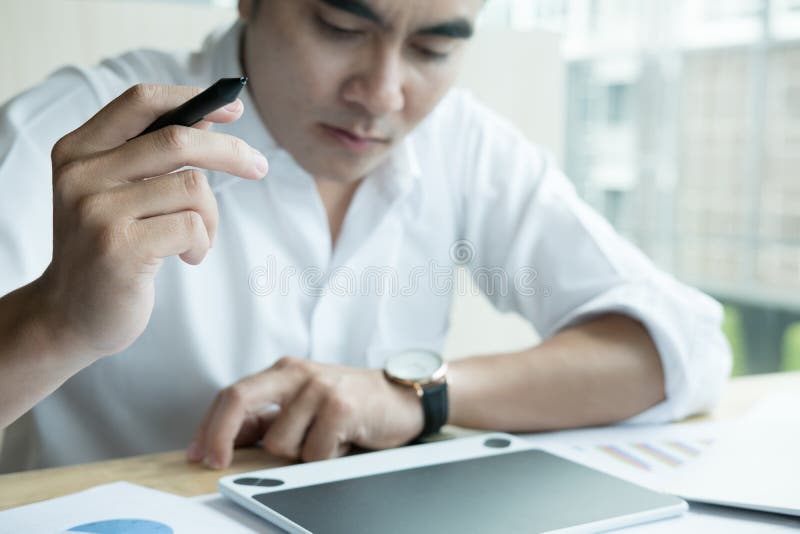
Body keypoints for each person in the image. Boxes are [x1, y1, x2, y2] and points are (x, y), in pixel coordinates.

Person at [0, 0, 730, 473]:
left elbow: (682, 345)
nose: (383, 94)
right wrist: (57, 321)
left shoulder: (460, 142)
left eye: (433, 50)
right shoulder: (76, 131)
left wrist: (417, 395)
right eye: (342, 28)